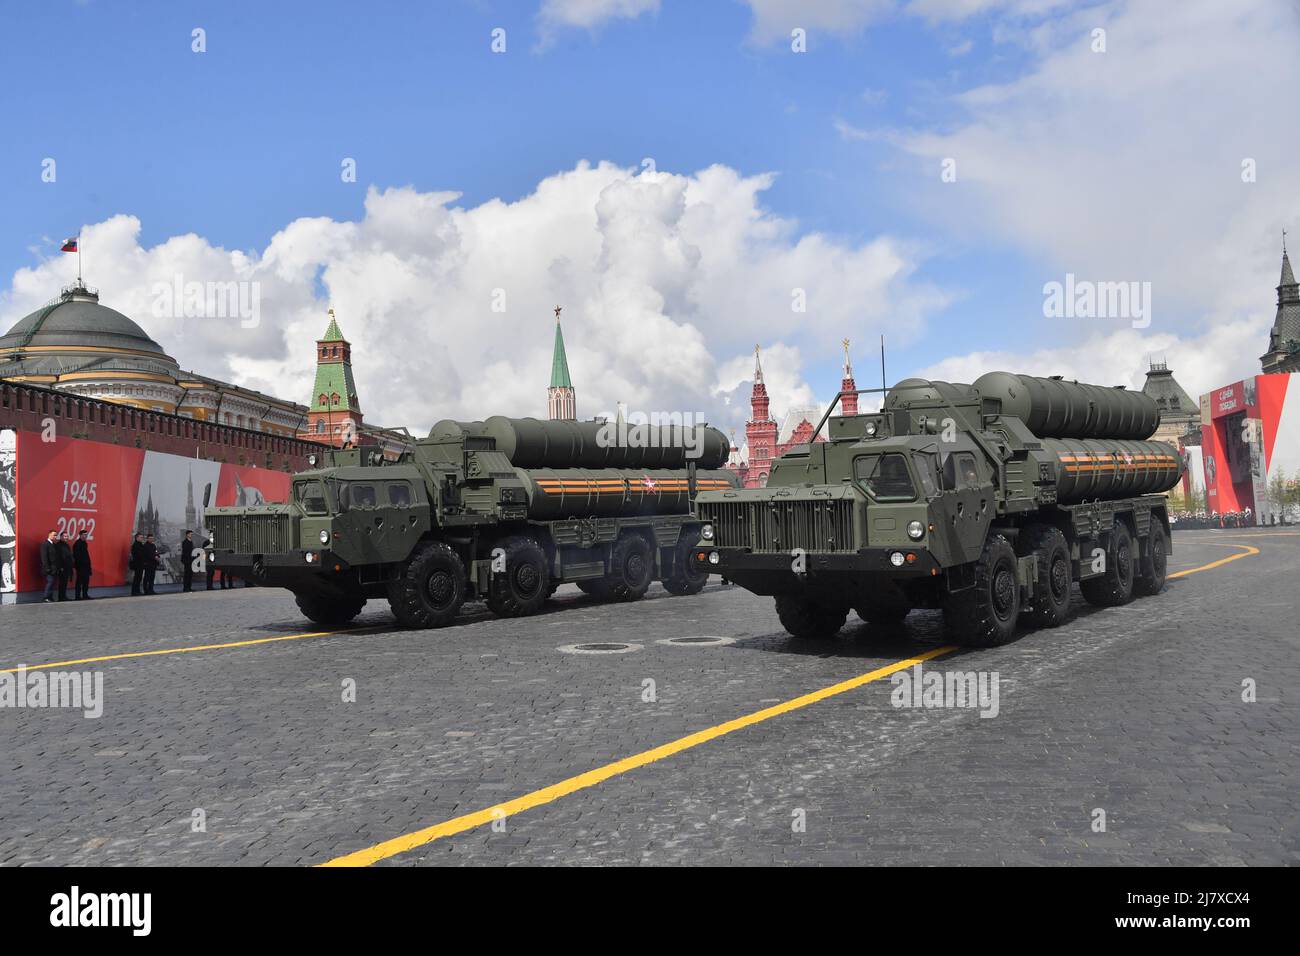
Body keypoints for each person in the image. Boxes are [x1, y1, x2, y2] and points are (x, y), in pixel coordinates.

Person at [40, 529, 59, 603]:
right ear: (49, 535)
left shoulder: (54, 545)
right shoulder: (45, 544)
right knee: (50, 582)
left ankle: (50, 597)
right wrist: (47, 568)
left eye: (56, 535)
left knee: (53, 582)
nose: (55, 536)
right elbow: (44, 557)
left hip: (54, 568)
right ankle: (45, 597)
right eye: (54, 535)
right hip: (49, 569)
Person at [72, 529, 92, 600]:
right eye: (84, 535)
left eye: (86, 535)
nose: (85, 536)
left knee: (86, 581)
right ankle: (77, 596)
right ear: (80, 535)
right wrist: (79, 565)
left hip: (86, 566)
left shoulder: (85, 543)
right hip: (80, 566)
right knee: (79, 581)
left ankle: (85, 595)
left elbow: (86, 555)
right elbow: (76, 556)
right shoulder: (77, 544)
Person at [55, 531, 73, 601]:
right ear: (61, 537)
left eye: (67, 536)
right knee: (62, 583)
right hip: (62, 568)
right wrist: (60, 567)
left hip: (67, 567)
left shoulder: (67, 545)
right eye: (65, 536)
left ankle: (64, 596)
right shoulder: (58, 545)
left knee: (65, 583)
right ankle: (61, 597)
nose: (66, 538)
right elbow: (58, 557)